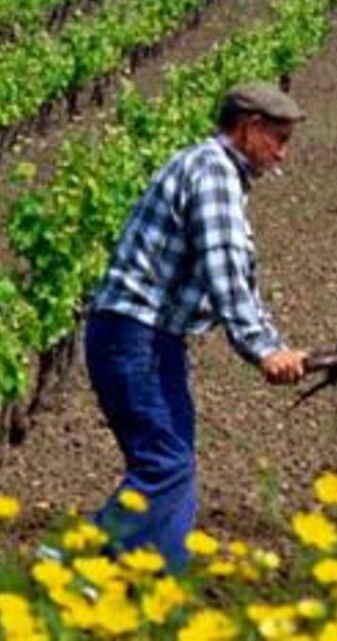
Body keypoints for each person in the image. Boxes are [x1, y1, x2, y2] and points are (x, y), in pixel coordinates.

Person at [82, 81, 310, 569]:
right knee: (165, 463)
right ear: (249, 128)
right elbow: (223, 269)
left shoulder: (212, 170)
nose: (283, 155)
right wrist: (263, 349)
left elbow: (237, 279)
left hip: (149, 337)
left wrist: (273, 343)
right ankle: (73, 565)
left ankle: (155, 580)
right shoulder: (213, 173)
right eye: (279, 139)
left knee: (174, 464)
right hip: (134, 336)